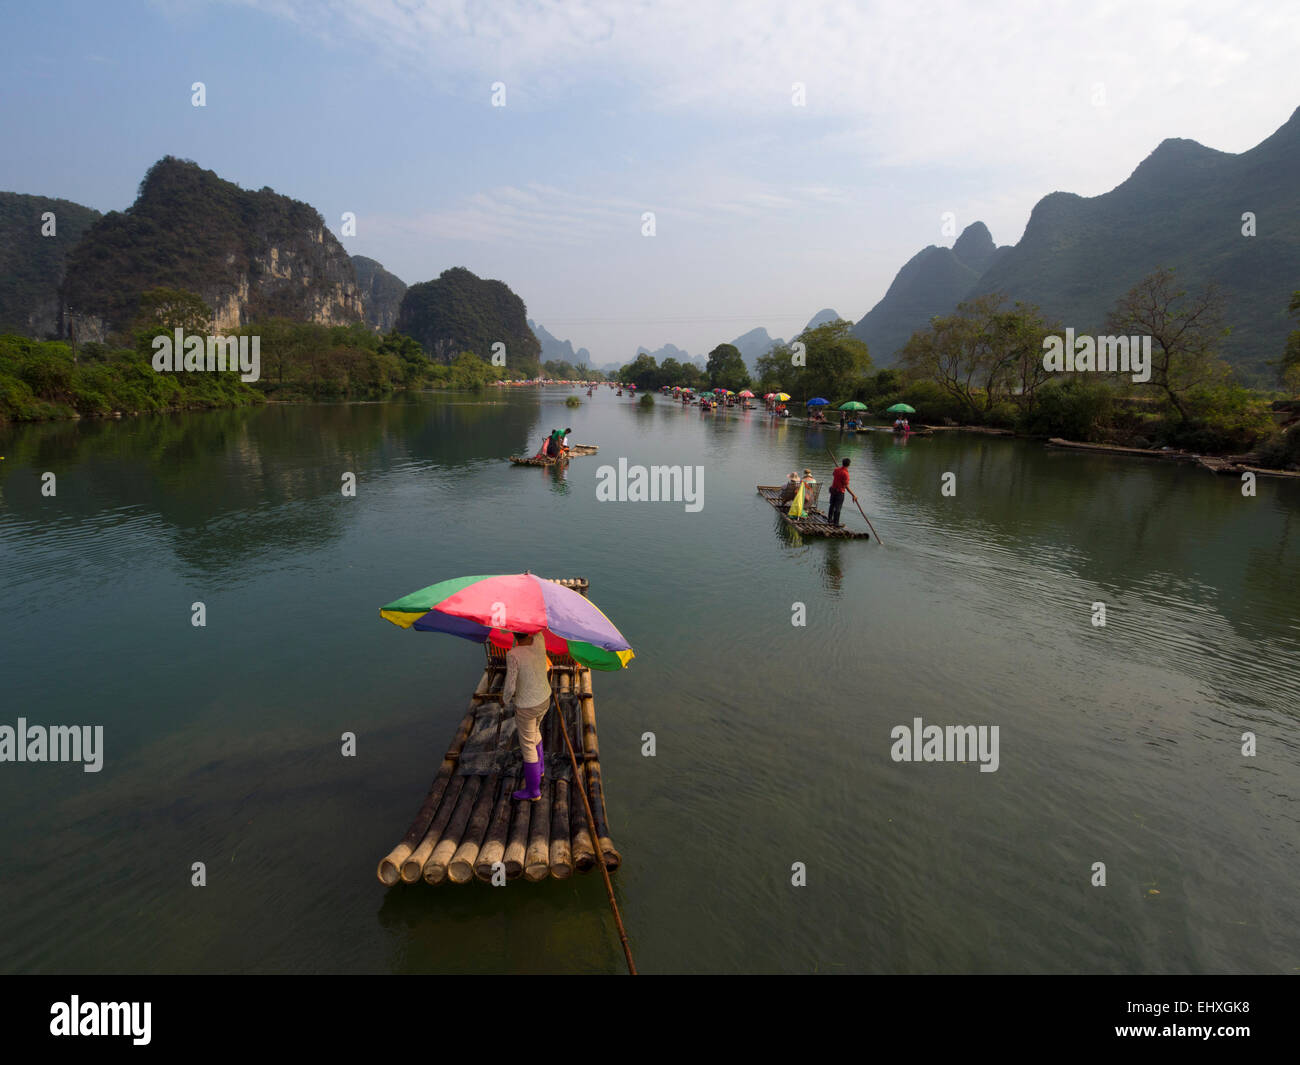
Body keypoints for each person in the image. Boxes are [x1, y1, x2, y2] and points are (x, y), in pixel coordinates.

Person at [503, 631, 552, 801]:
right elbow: (536, 630)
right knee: (535, 731)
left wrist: (504, 699)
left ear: (514, 634)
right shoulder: (539, 640)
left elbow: (510, 686)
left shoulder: (513, 654)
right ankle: (541, 769)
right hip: (544, 698)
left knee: (527, 745)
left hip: (526, 706)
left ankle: (533, 791)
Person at [828, 458, 850, 526]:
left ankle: (829, 519)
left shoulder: (836, 469)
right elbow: (846, 485)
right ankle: (836, 523)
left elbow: (834, 474)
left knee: (832, 505)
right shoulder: (846, 474)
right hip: (839, 492)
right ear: (849, 465)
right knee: (838, 508)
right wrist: (853, 495)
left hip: (833, 490)